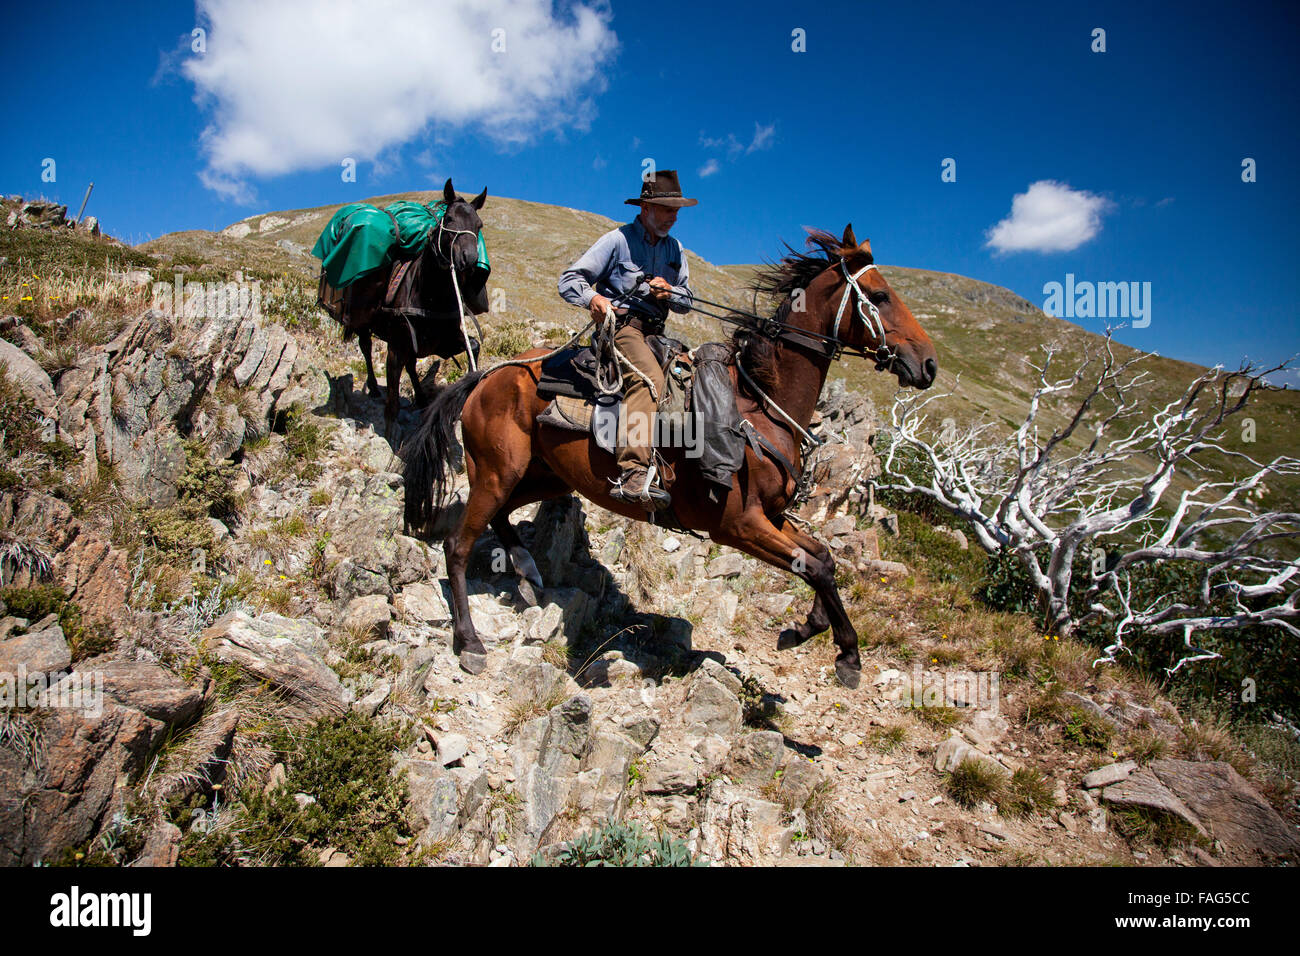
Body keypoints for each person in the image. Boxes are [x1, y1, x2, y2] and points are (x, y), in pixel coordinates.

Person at [557, 169, 697, 509]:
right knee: (650, 379)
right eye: (667, 210)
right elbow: (570, 278)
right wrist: (594, 299)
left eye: (677, 211)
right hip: (620, 329)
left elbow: (688, 301)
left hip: (657, 334)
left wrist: (671, 292)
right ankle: (633, 472)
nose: (673, 218)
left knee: (696, 380)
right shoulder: (617, 240)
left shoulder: (675, 250)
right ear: (646, 208)